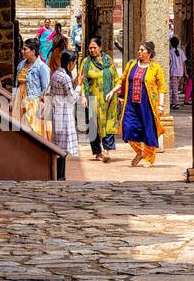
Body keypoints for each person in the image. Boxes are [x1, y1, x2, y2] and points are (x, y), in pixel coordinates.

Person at [107, 40, 166, 167]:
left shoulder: (155, 68)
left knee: (148, 130)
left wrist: (161, 105)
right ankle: (140, 152)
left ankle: (149, 159)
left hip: (147, 105)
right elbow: (121, 81)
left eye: (142, 50)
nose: (139, 52)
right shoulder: (131, 64)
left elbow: (162, 88)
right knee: (127, 128)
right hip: (131, 104)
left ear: (149, 53)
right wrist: (112, 91)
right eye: (139, 49)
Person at [77, 36, 118, 163]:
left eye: (94, 48)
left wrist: (114, 91)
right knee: (93, 125)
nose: (92, 50)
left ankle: (107, 150)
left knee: (108, 124)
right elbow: (81, 81)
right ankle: (98, 151)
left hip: (107, 98)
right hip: (92, 98)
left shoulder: (108, 60)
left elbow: (116, 78)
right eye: (90, 48)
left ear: (100, 48)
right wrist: (83, 96)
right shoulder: (86, 62)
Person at [49, 50, 81, 180]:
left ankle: (59, 174)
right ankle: (60, 175)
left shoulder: (55, 74)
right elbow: (72, 97)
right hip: (65, 112)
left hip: (56, 109)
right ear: (70, 63)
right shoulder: (65, 77)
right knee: (63, 146)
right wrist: (78, 87)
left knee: (58, 143)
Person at [14, 37, 50, 136]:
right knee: (20, 126)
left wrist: (44, 105)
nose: (22, 51)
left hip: (34, 101)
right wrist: (12, 100)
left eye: (25, 49)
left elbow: (46, 89)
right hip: (19, 99)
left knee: (33, 129)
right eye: (22, 49)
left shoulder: (42, 67)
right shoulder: (21, 64)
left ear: (33, 51)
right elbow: (16, 84)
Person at [169, 35, 187, 110]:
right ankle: (174, 102)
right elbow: (183, 63)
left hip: (174, 72)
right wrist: (184, 72)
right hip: (180, 72)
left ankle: (176, 103)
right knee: (175, 87)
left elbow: (169, 62)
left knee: (175, 88)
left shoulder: (171, 52)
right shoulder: (181, 51)